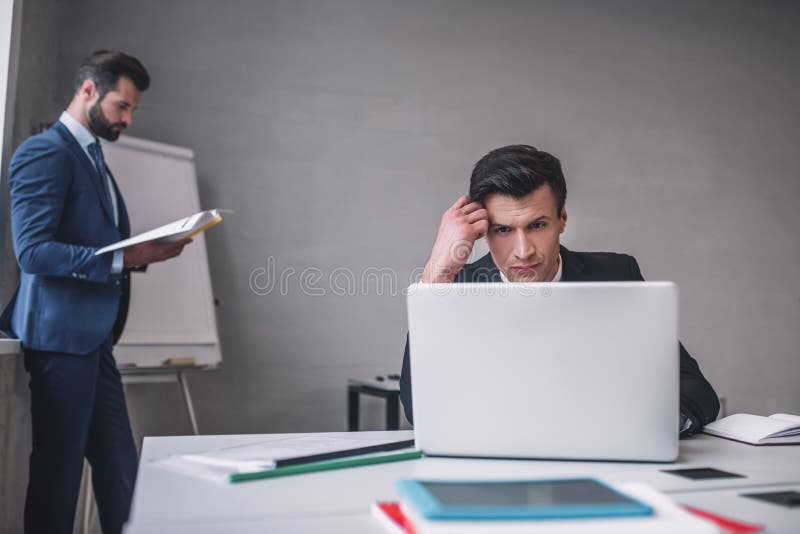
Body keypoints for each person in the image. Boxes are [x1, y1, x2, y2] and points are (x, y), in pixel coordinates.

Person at [399, 144, 719, 436]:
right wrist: (438, 272)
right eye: (503, 230)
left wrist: (650, 426)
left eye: (537, 225)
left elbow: (695, 389)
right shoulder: (452, 290)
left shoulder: (617, 276)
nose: (523, 251)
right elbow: (420, 410)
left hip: (603, 451)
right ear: (484, 232)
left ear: (562, 219)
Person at [0, 51, 190, 534]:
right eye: (122, 106)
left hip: (94, 340)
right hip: (61, 342)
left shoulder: (92, 157)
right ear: (88, 90)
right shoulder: (46, 152)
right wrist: (127, 257)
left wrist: (142, 254)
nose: (127, 119)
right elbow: (33, 252)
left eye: (132, 110)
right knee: (59, 478)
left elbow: (91, 240)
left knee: (120, 469)